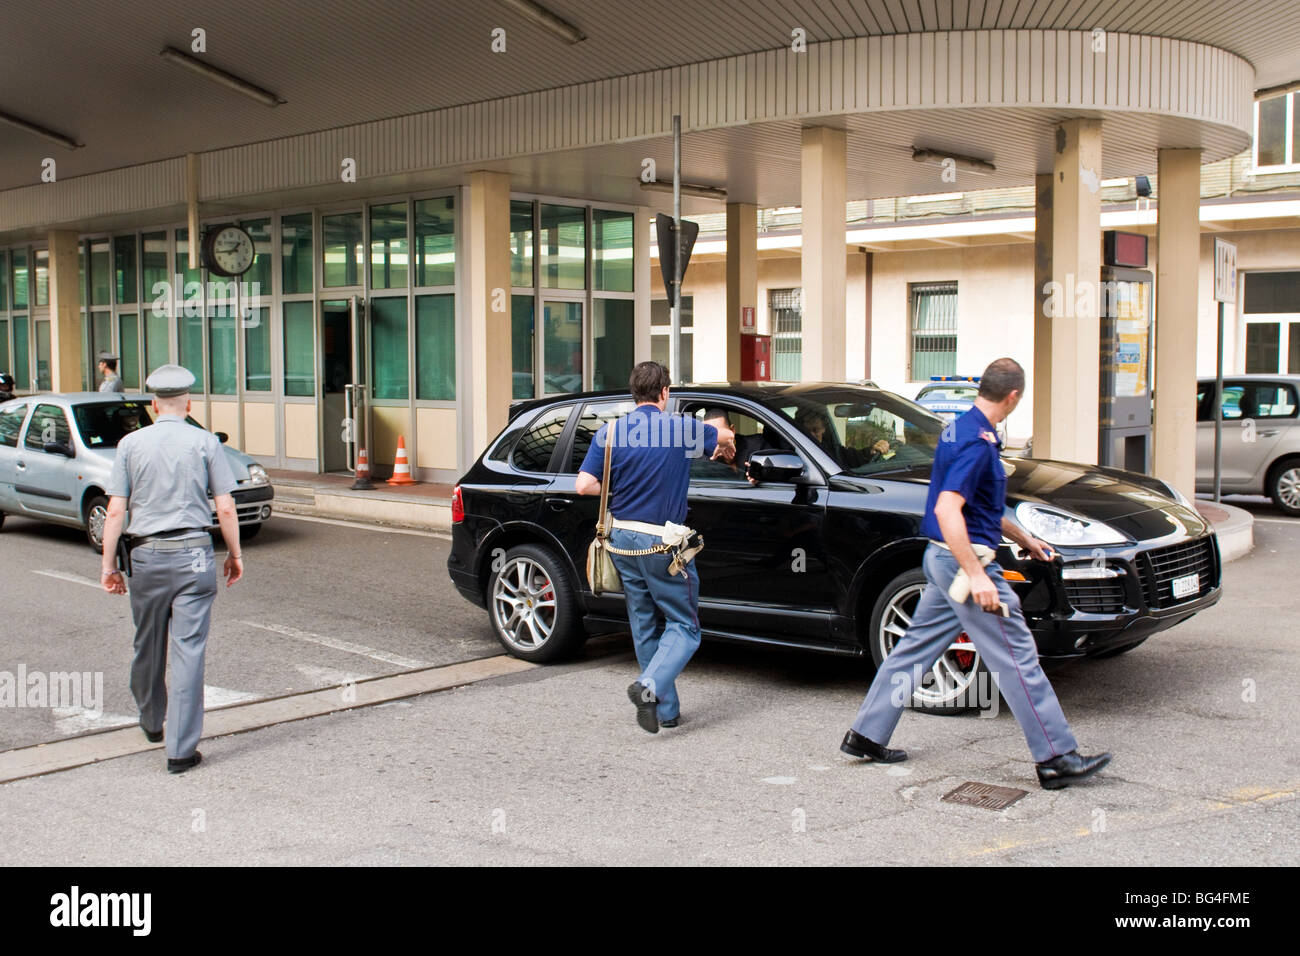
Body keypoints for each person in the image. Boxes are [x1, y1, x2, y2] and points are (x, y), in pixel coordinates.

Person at [840, 357, 1111, 790]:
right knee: (1018, 657)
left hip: (942, 560)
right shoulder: (977, 442)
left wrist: (1022, 537)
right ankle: (1056, 756)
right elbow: (949, 509)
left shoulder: (960, 429)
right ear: (1014, 396)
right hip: (965, 565)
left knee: (913, 650)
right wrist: (979, 575)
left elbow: (976, 503)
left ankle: (867, 735)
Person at [100, 365, 244, 774]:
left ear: (152, 405)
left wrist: (109, 565)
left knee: (147, 642)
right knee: (189, 651)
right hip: (195, 555)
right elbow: (226, 506)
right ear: (189, 403)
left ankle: (151, 721)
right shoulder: (205, 442)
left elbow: (115, 510)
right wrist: (235, 554)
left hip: (145, 557)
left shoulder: (130, 444)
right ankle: (181, 751)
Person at [576, 362, 734, 733]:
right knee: (684, 626)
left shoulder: (611, 432)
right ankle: (649, 686)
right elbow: (723, 437)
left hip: (621, 541)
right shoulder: (680, 429)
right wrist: (723, 439)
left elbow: (583, 486)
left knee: (644, 624)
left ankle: (665, 711)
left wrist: (619, 491)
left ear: (634, 393)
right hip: (661, 544)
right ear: (665, 392)